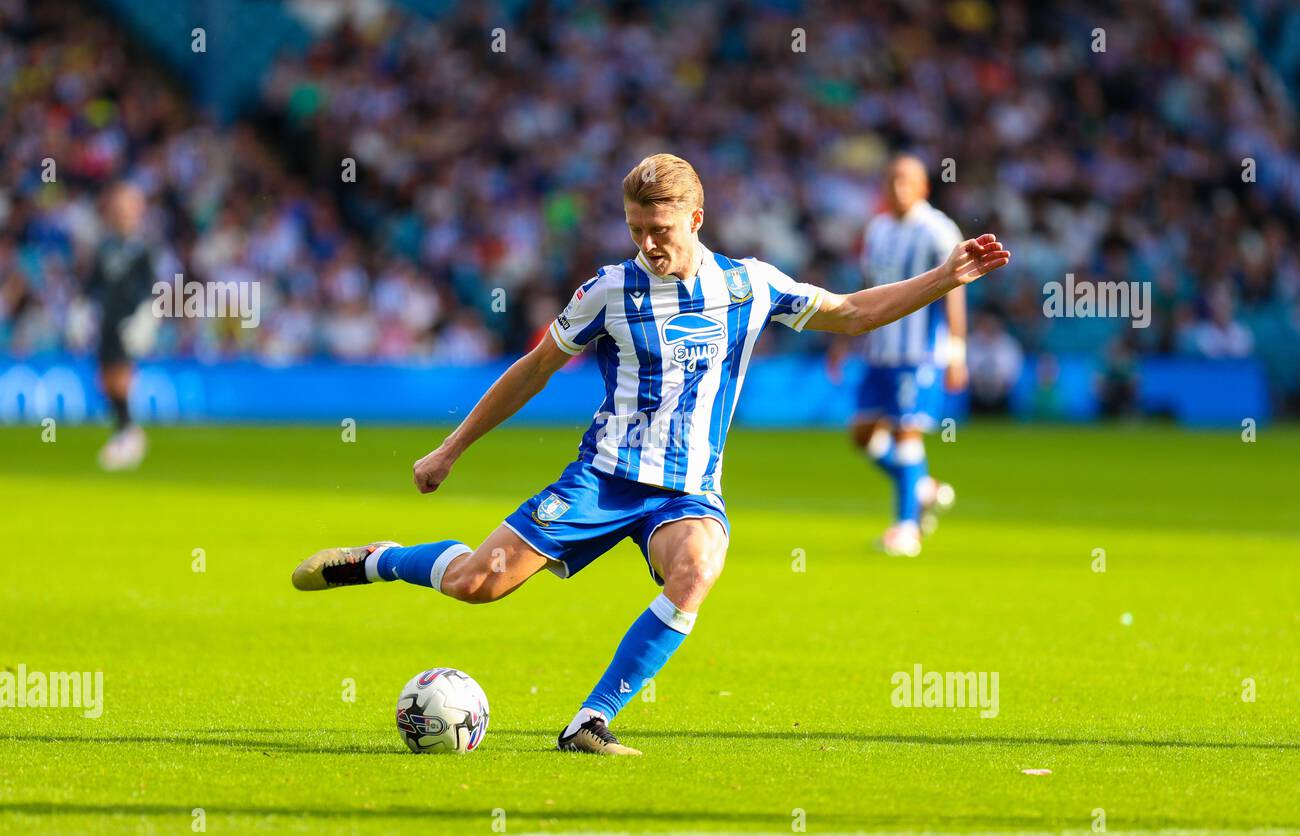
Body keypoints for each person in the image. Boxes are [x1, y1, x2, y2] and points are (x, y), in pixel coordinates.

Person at [291, 154, 1009, 755]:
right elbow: (535, 368)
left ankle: (589, 720)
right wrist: (452, 448)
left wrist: (945, 277)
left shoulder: (747, 285)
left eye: (660, 229)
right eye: (636, 230)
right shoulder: (609, 290)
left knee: (696, 571)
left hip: (687, 491)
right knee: (479, 584)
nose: (649, 244)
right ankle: (382, 558)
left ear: (696, 219)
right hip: (603, 479)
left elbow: (851, 313)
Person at [852, 155, 968, 555]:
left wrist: (956, 350)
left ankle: (906, 529)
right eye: (892, 180)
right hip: (878, 349)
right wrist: (842, 340)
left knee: (906, 432)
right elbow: (867, 285)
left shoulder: (938, 229)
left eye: (907, 181)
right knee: (863, 435)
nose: (898, 188)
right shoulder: (878, 229)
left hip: (917, 353)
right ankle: (921, 486)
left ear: (924, 188)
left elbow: (955, 287)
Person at [86, 182, 157, 470]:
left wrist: (146, 317)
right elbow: (93, 283)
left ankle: (125, 433)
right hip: (107, 319)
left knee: (121, 375)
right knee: (104, 378)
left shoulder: (143, 248)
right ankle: (126, 430)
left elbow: (151, 286)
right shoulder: (106, 246)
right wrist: (82, 306)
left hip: (130, 321)